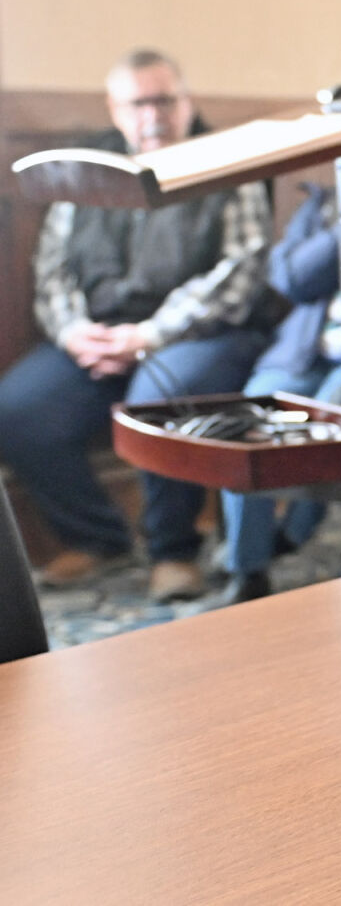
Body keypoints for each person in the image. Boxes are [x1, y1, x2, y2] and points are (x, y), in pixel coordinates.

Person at [0, 49, 274, 602]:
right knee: (16, 408)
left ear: (186, 102)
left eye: (164, 100)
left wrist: (148, 336)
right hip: (95, 338)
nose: (153, 115)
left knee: (156, 403)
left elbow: (239, 272)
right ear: (115, 110)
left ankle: (173, 552)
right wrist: (75, 331)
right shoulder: (83, 170)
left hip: (198, 336)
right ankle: (98, 538)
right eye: (138, 103)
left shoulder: (228, 165)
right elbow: (52, 270)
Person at [215, 182, 341, 604]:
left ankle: (295, 530)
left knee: (335, 419)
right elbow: (290, 278)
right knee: (246, 421)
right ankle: (248, 569)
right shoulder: (322, 205)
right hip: (302, 354)